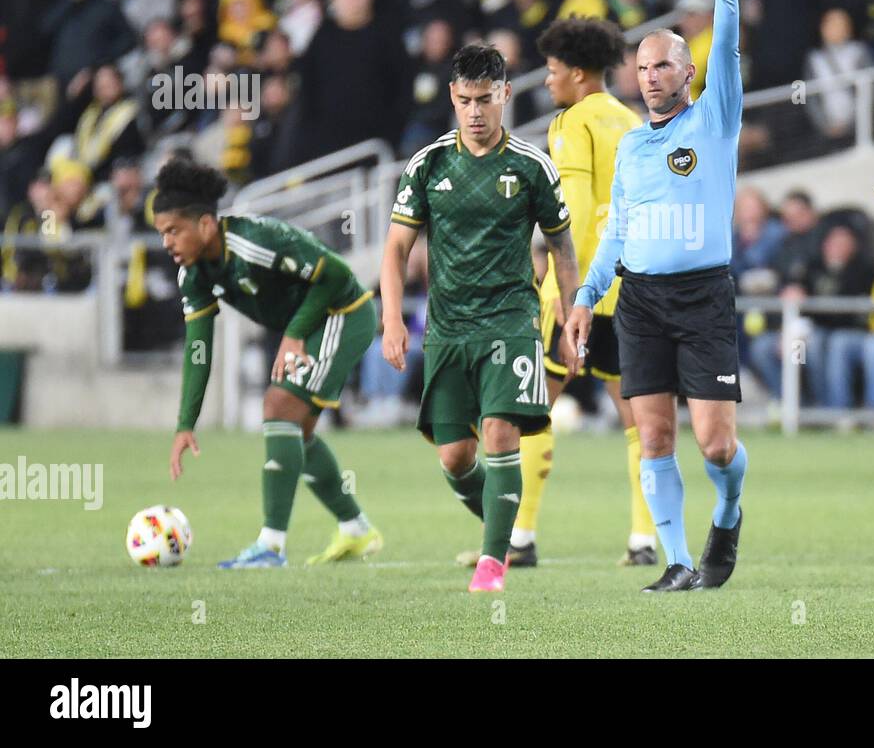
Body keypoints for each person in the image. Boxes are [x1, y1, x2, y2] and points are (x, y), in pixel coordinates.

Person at [564, 0, 748, 593]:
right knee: (654, 438)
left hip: (703, 299)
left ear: (688, 70)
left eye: (662, 64)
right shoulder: (631, 147)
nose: (649, 77)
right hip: (639, 300)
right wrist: (585, 297)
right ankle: (676, 562)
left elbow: (726, 48)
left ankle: (728, 513)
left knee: (717, 445)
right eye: (640, 68)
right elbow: (617, 231)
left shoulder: (716, 118)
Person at [379, 44, 579, 594]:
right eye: (465, 100)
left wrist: (572, 310)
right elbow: (396, 249)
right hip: (447, 327)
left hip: (512, 320)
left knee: (499, 430)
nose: (474, 111)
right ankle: (500, 514)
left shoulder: (532, 165)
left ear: (506, 96)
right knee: (455, 458)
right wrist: (392, 320)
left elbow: (562, 248)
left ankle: (494, 564)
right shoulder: (429, 164)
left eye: (485, 99)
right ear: (452, 97)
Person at [155, 158, 383, 569]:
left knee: (278, 408)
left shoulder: (255, 239)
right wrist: (185, 423)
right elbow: (199, 348)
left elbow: (333, 274)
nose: (167, 243)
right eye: (162, 234)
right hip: (311, 325)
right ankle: (356, 528)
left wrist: (294, 333)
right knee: (299, 430)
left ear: (206, 225)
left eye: (174, 231)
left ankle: (271, 546)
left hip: (343, 312)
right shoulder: (193, 274)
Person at [488, 16, 657, 569]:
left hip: (581, 286)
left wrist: (567, 289)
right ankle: (642, 540)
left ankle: (521, 537)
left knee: (531, 406)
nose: (548, 81)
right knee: (636, 417)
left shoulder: (571, 122)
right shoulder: (632, 121)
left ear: (579, 74)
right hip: (631, 287)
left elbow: (575, 210)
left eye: (555, 71)